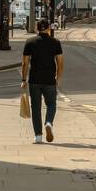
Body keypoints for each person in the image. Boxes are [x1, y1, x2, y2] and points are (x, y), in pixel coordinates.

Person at [22, 17, 64, 145]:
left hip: (34, 80)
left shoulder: (30, 42)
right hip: (50, 79)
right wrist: (58, 77)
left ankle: (38, 136)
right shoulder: (55, 42)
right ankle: (49, 122)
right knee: (51, 104)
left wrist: (24, 79)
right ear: (48, 28)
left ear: (36, 28)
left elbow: (25, 63)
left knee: (36, 107)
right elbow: (60, 63)